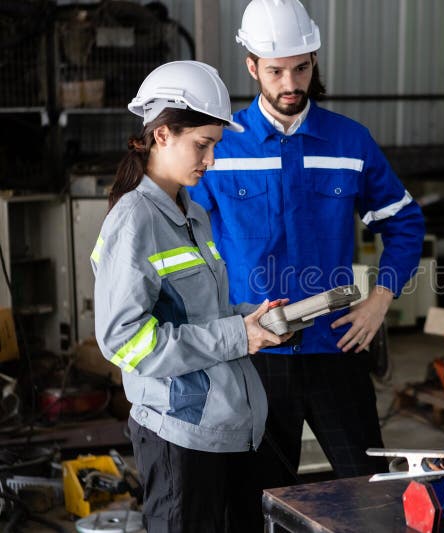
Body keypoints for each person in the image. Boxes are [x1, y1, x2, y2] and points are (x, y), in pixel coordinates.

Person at [188, 0, 425, 487]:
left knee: (368, 491)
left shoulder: (349, 142)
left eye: (301, 68)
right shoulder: (221, 148)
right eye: (276, 71)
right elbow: (185, 242)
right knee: (262, 499)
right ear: (252, 66)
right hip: (253, 356)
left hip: (335, 344)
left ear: (314, 59)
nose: (291, 85)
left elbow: (404, 221)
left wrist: (381, 301)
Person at [92, 60, 291, 532]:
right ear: (162, 135)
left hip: (224, 430)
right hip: (177, 435)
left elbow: (204, 313)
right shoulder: (135, 220)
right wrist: (235, 337)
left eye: (214, 146)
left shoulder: (193, 212)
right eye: (202, 146)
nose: (211, 161)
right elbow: (124, 341)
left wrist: (252, 320)